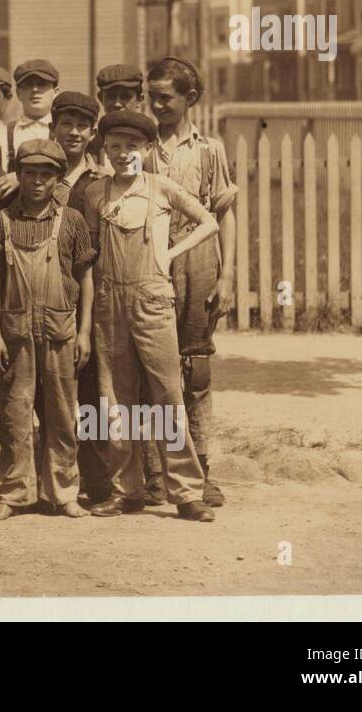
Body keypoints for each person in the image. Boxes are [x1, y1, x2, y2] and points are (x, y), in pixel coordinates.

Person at [81, 110, 216, 522]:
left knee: (167, 395)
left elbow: (208, 222)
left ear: (147, 149)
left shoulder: (162, 188)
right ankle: (128, 490)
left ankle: (188, 492)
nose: (124, 155)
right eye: (116, 147)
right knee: (114, 399)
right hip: (108, 302)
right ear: (105, 150)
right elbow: (87, 253)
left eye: (132, 147)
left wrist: (169, 255)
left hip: (153, 300)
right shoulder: (94, 194)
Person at [142, 56, 237, 508]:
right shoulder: (140, 147)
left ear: (190, 99)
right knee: (153, 369)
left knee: (195, 369)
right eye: (152, 97)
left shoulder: (208, 149)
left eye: (166, 97)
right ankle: (155, 472)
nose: (157, 105)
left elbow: (224, 213)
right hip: (152, 258)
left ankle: (200, 470)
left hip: (199, 261)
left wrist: (229, 275)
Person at [0, 139, 95, 520]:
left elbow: (86, 278)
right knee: (15, 414)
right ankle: (14, 493)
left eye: (46, 175)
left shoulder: (72, 221)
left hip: (60, 330)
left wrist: (84, 333)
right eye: (29, 173)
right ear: (18, 175)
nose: (36, 182)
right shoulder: (2, 221)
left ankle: (63, 492)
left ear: (58, 179)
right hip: (15, 333)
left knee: (62, 414)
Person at [49, 89, 113, 502]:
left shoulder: (101, 184)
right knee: (48, 392)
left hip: (89, 298)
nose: (73, 132)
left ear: (92, 132)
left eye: (82, 125)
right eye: (65, 123)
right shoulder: (35, 175)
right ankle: (51, 481)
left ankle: (98, 480)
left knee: (91, 391)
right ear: (53, 126)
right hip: (44, 300)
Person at [0, 59, 59, 213]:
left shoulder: (63, 131)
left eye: (42, 85)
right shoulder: (1, 131)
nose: (35, 90)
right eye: (28, 85)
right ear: (18, 93)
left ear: (55, 92)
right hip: (12, 215)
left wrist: (19, 179)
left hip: (55, 212)